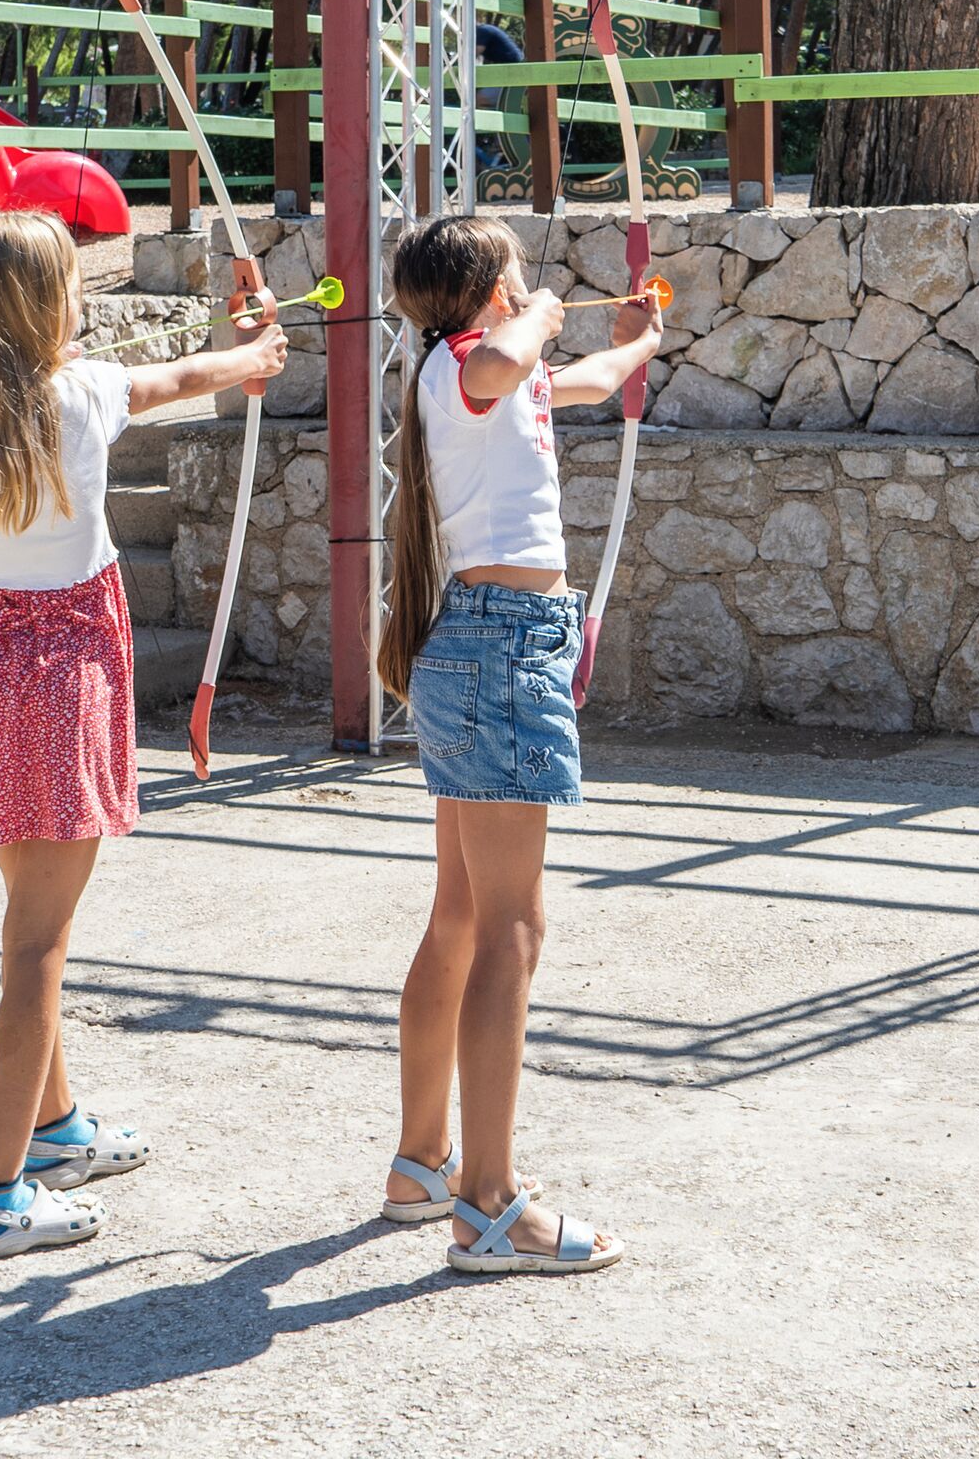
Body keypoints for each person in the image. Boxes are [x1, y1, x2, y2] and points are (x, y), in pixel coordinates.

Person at [0, 210, 285, 1261]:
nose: (81, 306)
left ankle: (56, 1131)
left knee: (27, 919)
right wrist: (255, 353)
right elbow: (169, 381)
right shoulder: (85, 395)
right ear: (44, 308)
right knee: (38, 949)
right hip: (59, 688)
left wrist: (243, 352)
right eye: (70, 289)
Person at [373, 214, 661, 1276]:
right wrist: (536, 311)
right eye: (520, 279)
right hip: (500, 651)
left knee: (462, 916)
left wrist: (637, 341)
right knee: (512, 930)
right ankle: (488, 1205)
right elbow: (511, 356)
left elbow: (580, 382)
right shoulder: (464, 369)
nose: (538, 292)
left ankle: (423, 1167)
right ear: (489, 294)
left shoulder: (491, 382)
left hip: (487, 646)